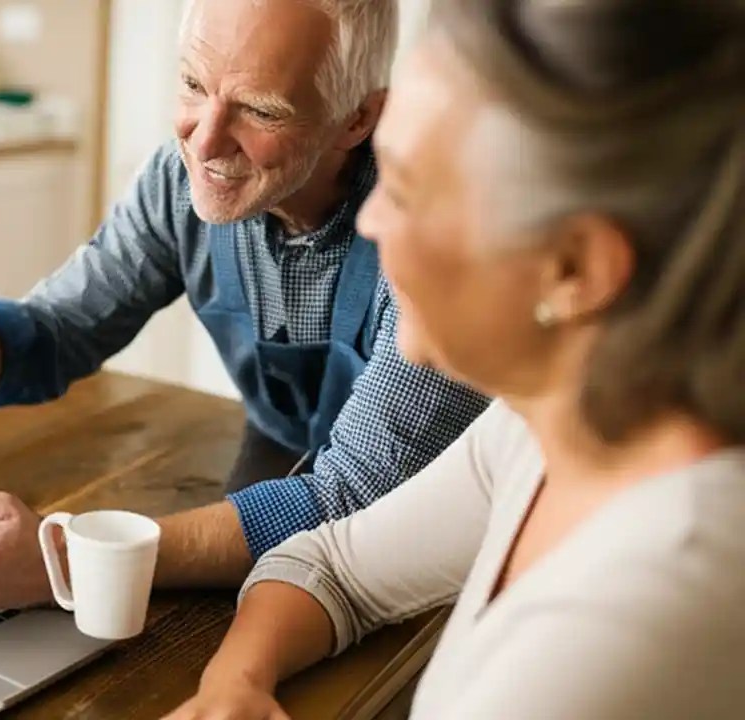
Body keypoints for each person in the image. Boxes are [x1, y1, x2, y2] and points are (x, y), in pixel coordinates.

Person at [0, 0, 489, 614]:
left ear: (359, 118)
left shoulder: (431, 232)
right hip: (279, 460)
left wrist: (73, 562)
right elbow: (45, 342)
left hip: (436, 527)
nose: (204, 139)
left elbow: (360, 499)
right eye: (192, 84)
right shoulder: (176, 184)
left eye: (260, 110)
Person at [166, 0, 745, 717]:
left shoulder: (639, 614)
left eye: (407, 192)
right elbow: (331, 563)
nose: (370, 221)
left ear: (575, 269)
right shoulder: (541, 429)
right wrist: (234, 687)